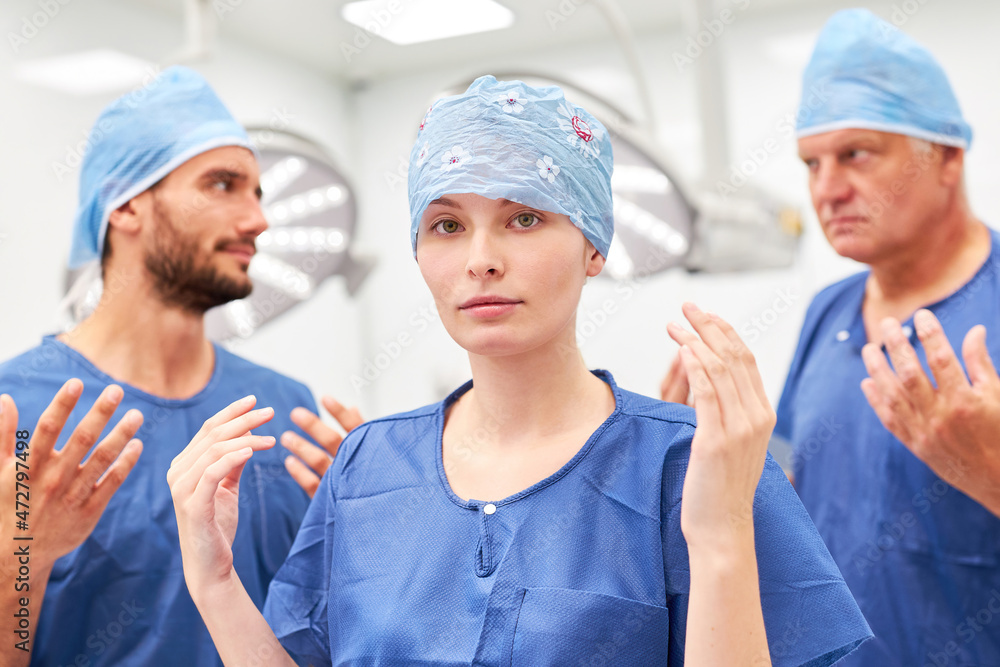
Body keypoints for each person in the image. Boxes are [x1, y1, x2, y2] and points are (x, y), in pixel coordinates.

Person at [169, 75, 871, 666]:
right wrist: (215, 580)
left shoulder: (688, 462)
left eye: (524, 218)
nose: (480, 258)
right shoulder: (364, 468)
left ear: (593, 245)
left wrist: (718, 536)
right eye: (447, 225)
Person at [670, 9, 1000, 666]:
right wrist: (714, 452)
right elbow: (789, 486)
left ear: (946, 156)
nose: (826, 190)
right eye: (811, 164)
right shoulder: (831, 310)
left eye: (855, 154)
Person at [0, 66, 360, 666]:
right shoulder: (17, 414)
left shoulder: (285, 416)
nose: (258, 220)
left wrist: (374, 545)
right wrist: (18, 560)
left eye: (258, 193)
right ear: (127, 205)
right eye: (223, 185)